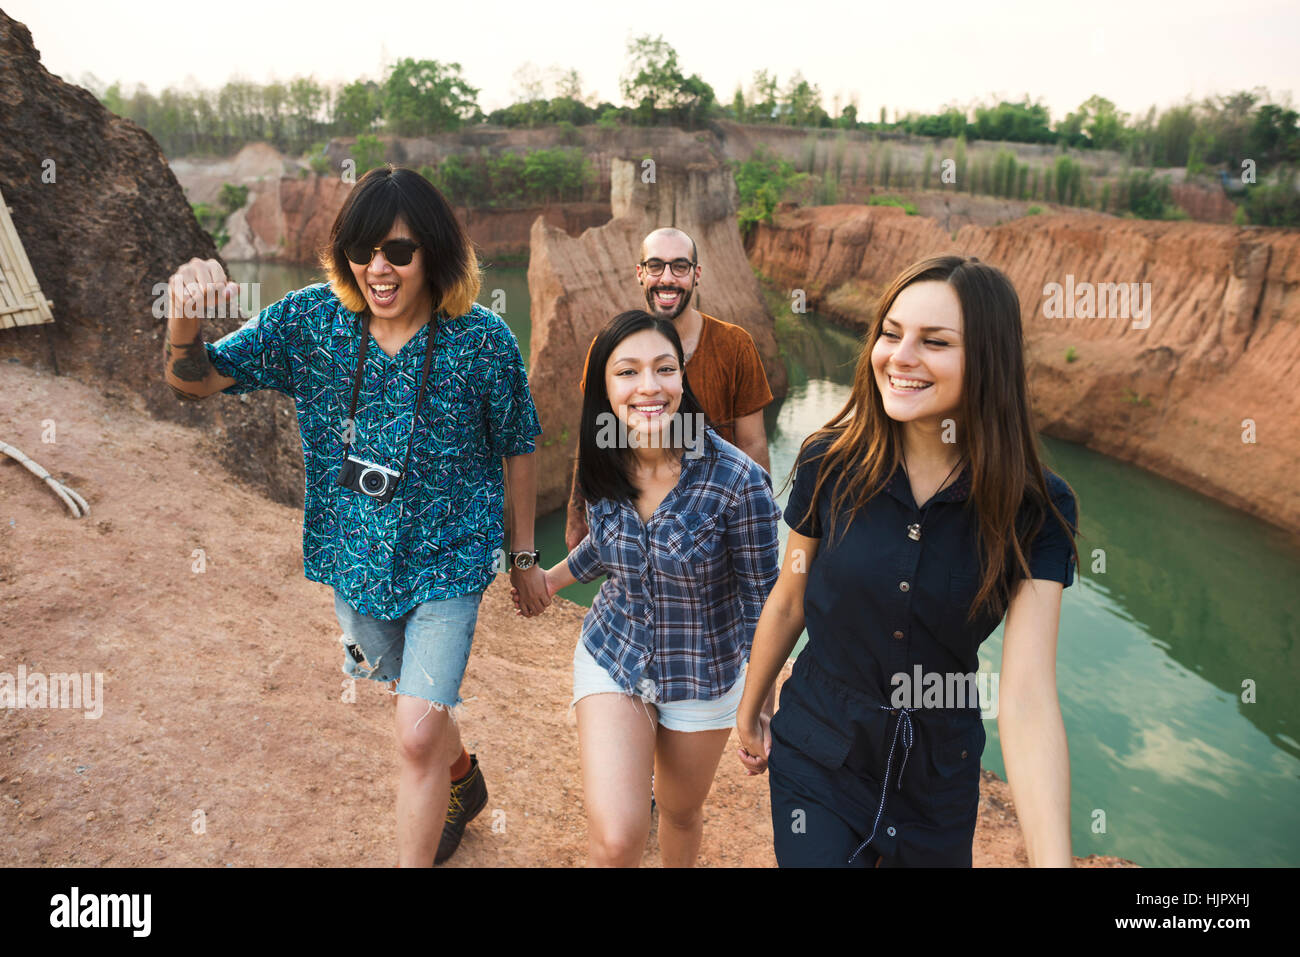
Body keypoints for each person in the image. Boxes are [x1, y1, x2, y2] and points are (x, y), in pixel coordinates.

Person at [162, 166, 549, 867]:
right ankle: (464, 778)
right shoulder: (311, 321)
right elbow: (197, 382)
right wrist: (183, 316)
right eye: (362, 249)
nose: (378, 267)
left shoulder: (483, 340)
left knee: (412, 731)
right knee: (414, 702)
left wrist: (522, 557)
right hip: (355, 556)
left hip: (451, 557)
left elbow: (518, 442)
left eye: (398, 251)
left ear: (434, 251)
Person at [735, 255, 1080, 867]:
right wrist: (754, 704)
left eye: (935, 342)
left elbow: (1026, 695)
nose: (900, 356)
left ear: (988, 362)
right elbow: (789, 597)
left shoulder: (1037, 509)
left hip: (937, 783)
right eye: (891, 334)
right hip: (820, 752)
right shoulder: (827, 462)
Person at [515, 310, 780, 866]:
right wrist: (550, 580)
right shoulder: (604, 458)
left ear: (682, 377)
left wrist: (761, 703)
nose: (648, 387)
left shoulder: (738, 482)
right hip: (614, 653)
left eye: (664, 369)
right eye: (627, 372)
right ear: (605, 388)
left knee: (681, 814)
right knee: (617, 840)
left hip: (703, 675)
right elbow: (609, 545)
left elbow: (765, 601)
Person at [565, 227, 774, 551]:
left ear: (696, 274)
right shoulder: (607, 349)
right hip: (632, 529)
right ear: (640, 273)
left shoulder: (734, 346)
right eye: (655, 266)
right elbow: (595, 433)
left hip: (712, 532)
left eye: (679, 266)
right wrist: (576, 515)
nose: (667, 278)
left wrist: (756, 523)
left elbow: (753, 445)